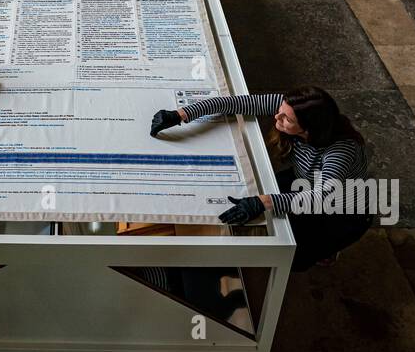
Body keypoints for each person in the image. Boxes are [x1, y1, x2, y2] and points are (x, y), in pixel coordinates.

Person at [150, 87, 373, 271]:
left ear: (309, 128)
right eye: (281, 111)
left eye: (286, 119)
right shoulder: (291, 107)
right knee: (270, 207)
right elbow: (233, 103)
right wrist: (181, 114)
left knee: (295, 257)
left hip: (341, 211)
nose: (277, 117)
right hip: (304, 180)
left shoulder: (340, 152)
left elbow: (322, 197)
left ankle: (327, 251)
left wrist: (264, 202)